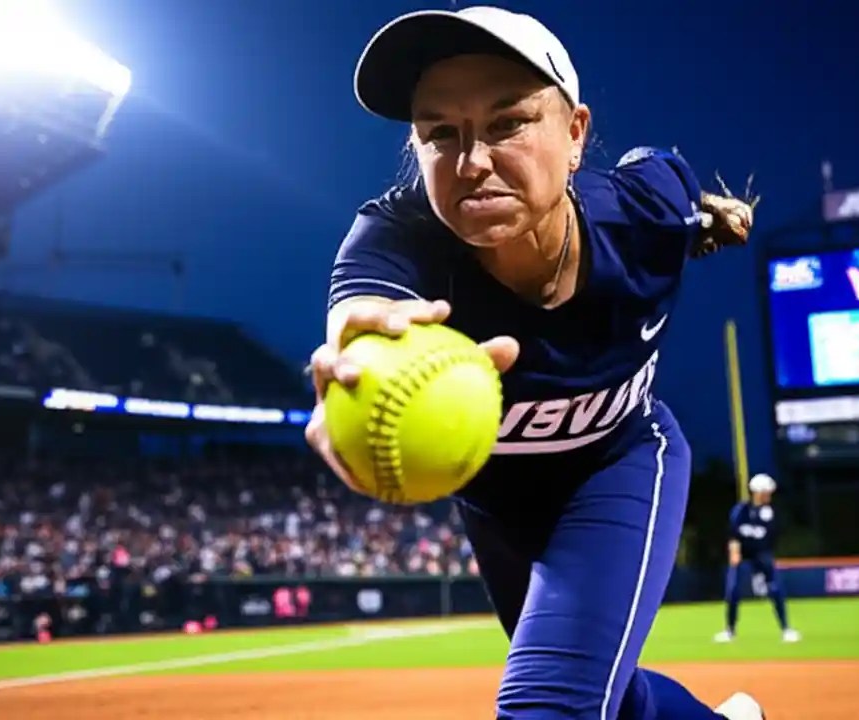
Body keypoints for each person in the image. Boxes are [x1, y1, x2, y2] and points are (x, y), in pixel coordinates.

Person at [304, 7, 764, 719]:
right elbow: (361, 304)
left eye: (507, 122)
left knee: (549, 704)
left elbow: (668, 178)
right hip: (498, 510)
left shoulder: (642, 213)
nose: (472, 161)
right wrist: (351, 358)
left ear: (575, 133)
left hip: (619, 464)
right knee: (607, 692)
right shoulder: (397, 236)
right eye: (439, 133)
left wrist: (703, 223)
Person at [714, 473, 800, 644]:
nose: (768, 494)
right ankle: (730, 630)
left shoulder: (771, 512)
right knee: (733, 591)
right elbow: (733, 534)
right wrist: (734, 552)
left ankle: (786, 629)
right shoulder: (741, 510)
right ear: (757, 491)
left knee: (776, 589)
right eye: (766, 491)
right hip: (742, 555)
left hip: (762, 554)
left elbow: (772, 536)